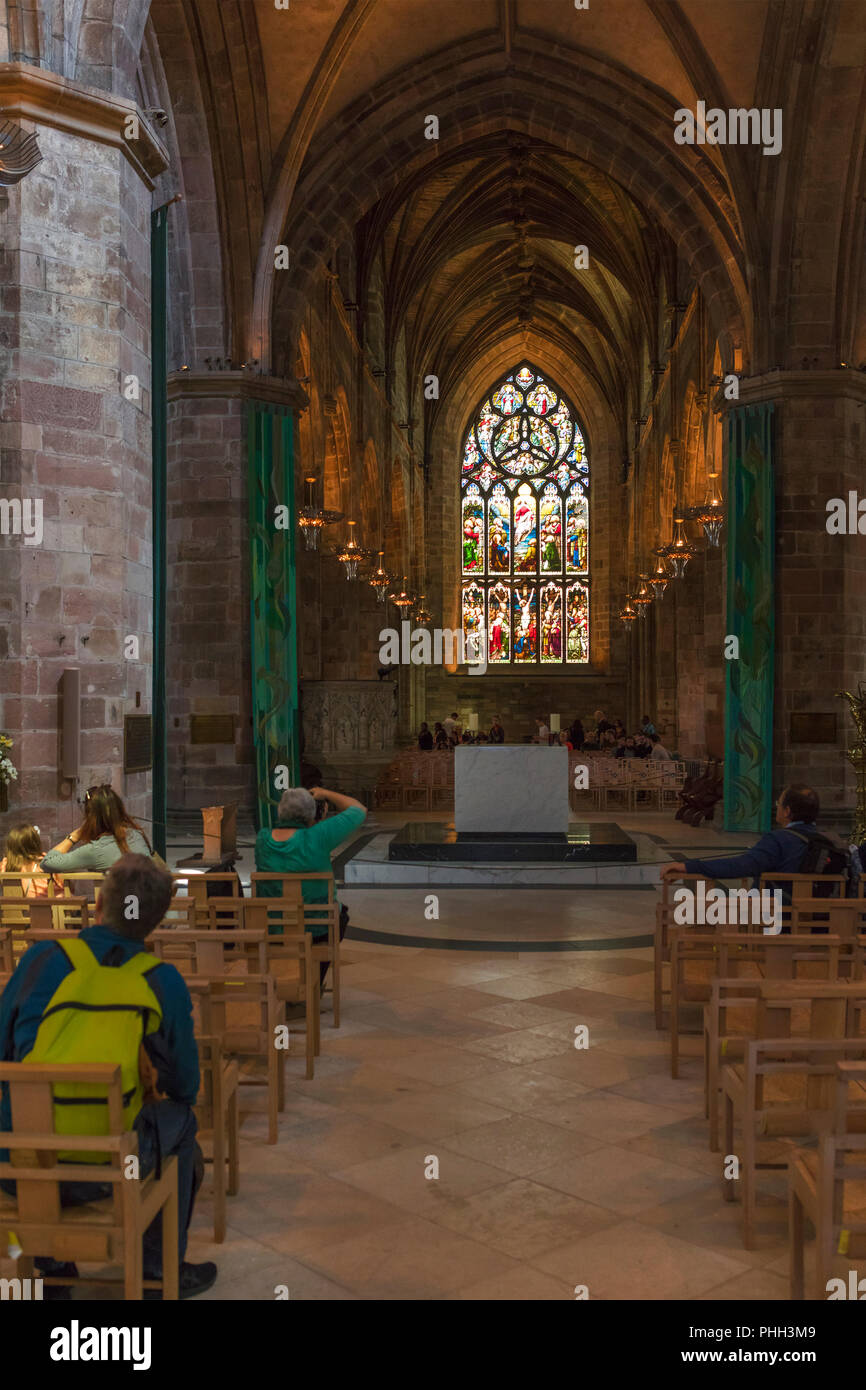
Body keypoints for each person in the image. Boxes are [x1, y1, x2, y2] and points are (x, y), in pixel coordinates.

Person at [0, 854, 213, 1299]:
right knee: (183, 1126)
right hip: (108, 1171)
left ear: (98, 904)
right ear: (154, 922)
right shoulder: (161, 980)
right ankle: (156, 1273)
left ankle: (53, 1267)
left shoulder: (41, 958)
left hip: (16, 1165)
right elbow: (185, 1084)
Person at [254, 786, 366, 983]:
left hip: (273, 928)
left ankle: (286, 979)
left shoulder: (263, 839)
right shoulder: (318, 836)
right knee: (341, 915)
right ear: (312, 813)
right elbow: (358, 809)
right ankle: (313, 981)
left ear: (280, 811)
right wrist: (326, 793)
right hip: (317, 929)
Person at [662, 784, 825, 898]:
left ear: (787, 811)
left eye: (779, 804)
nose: (777, 807)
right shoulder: (825, 841)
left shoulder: (778, 841)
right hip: (817, 919)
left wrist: (688, 867)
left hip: (773, 917)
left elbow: (740, 866)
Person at [40, 785, 154, 873]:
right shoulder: (137, 835)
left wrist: (74, 836)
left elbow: (47, 862)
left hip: (118, 903)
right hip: (148, 901)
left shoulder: (96, 850)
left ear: (91, 818)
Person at [0, 823, 55, 897]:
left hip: (13, 907)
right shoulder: (46, 862)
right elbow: (67, 885)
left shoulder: (5, 864)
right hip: (45, 907)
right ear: (35, 842)